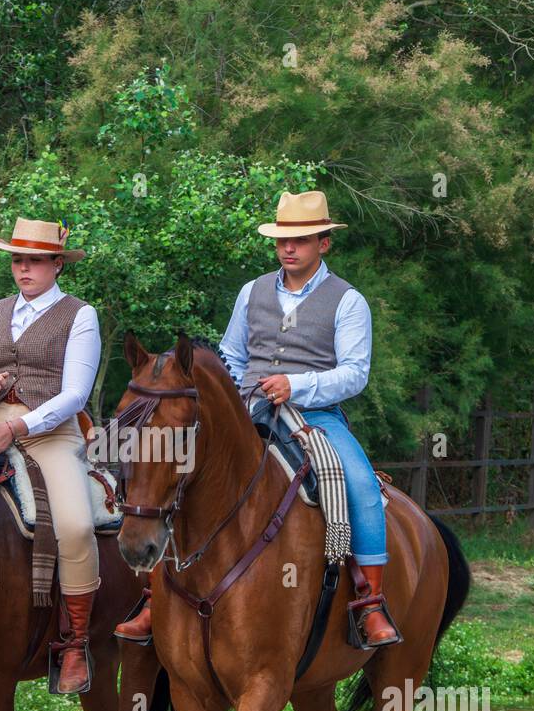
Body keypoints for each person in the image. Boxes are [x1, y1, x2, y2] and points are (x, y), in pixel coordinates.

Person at [115, 189, 399, 648]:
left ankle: (369, 603)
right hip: (246, 409)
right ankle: (155, 596)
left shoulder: (348, 301)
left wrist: (296, 385)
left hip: (315, 414)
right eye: (283, 239)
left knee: (361, 485)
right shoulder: (252, 291)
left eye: (302, 240)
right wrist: (228, 397)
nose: (289, 248)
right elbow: (229, 355)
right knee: (177, 468)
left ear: (324, 243)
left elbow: (355, 374)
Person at [0, 216, 101, 691]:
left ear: (57, 265)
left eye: (35, 261)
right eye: (18, 260)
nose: (24, 269)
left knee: (76, 525)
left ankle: (74, 643)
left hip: (52, 431)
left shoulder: (80, 315)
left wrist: (19, 425)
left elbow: (75, 395)